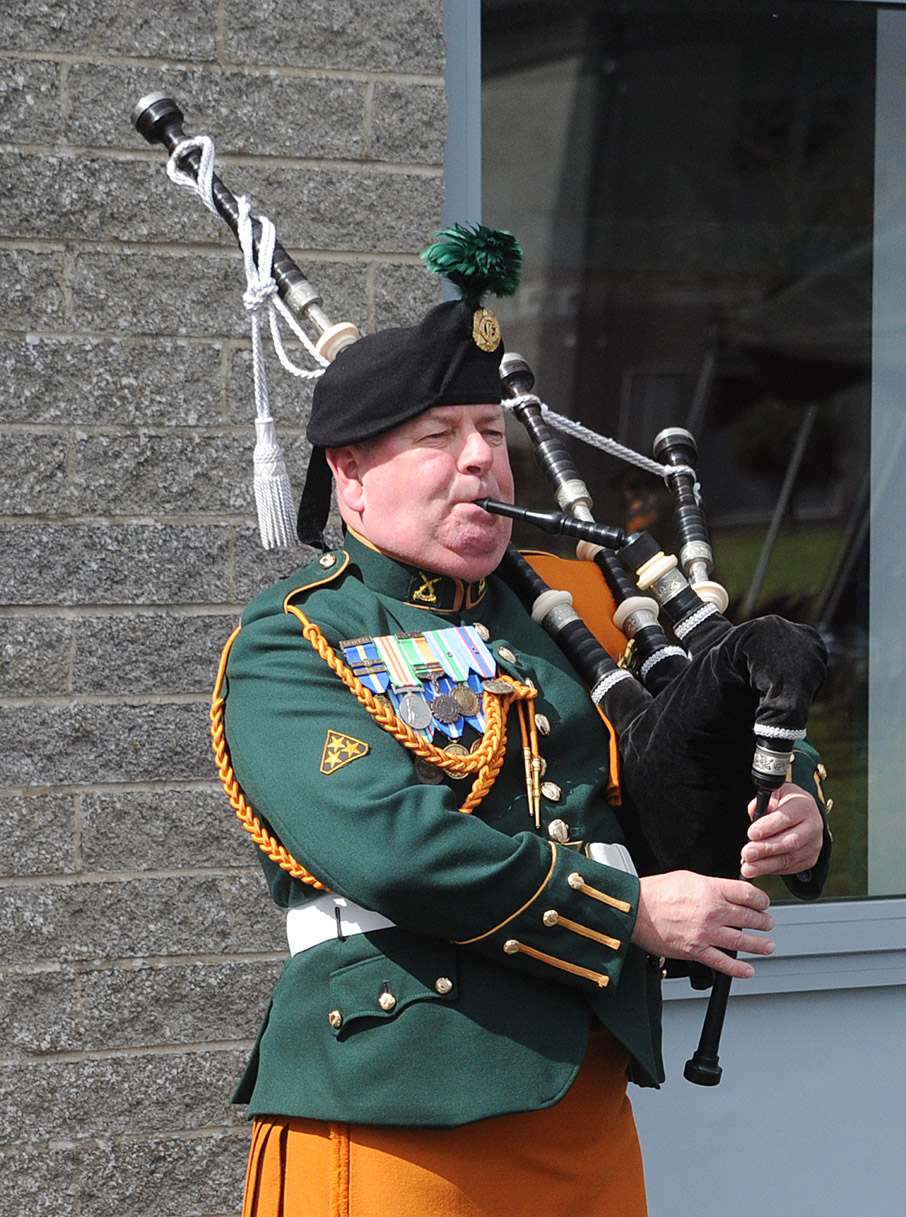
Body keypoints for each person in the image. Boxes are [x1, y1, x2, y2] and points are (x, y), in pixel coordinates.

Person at [213, 227, 830, 1217]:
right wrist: (627, 909)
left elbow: (689, 757)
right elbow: (391, 846)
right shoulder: (298, 640)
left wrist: (790, 802)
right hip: (398, 1109)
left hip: (584, 1099)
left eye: (492, 433)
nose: (480, 462)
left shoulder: (578, 609)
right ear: (351, 473)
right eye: (438, 437)